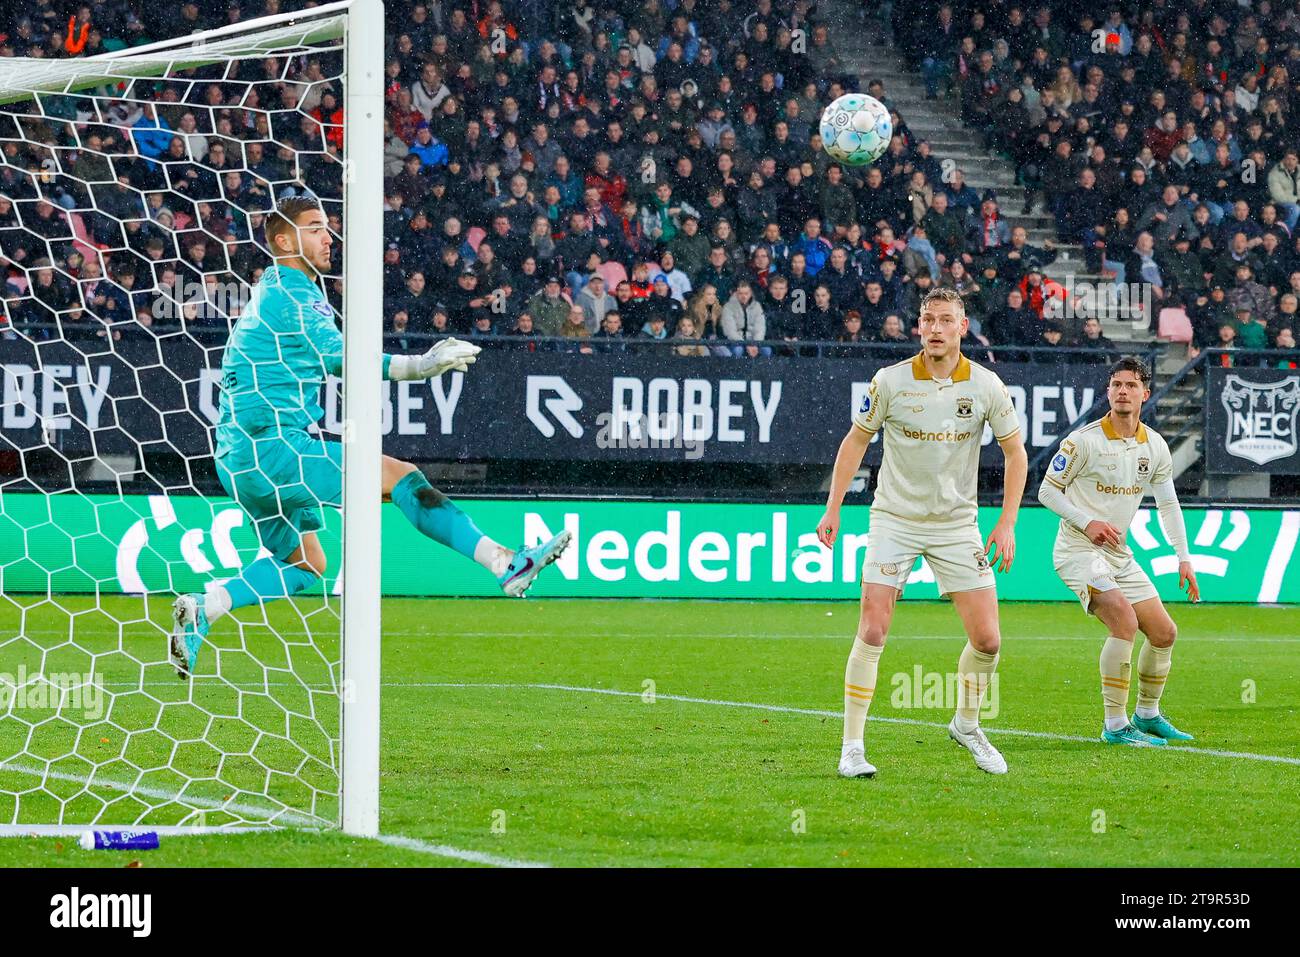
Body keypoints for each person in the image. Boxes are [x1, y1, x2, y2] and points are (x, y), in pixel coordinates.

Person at [168, 198, 571, 677]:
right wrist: (417, 366)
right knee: (401, 477)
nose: (327, 237)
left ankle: (205, 607)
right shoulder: (294, 294)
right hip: (275, 447)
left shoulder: (269, 294)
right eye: (314, 228)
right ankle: (504, 562)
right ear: (283, 241)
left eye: (327, 227)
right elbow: (343, 357)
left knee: (306, 565)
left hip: (236, 458)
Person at [817, 287, 1027, 778]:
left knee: (989, 641)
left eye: (945, 320)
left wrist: (1008, 521)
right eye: (928, 319)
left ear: (962, 326)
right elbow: (855, 442)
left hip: (957, 525)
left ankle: (967, 724)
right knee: (872, 629)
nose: (935, 328)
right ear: (918, 326)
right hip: (894, 519)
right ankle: (852, 748)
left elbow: (1016, 454)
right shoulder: (890, 381)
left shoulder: (986, 385)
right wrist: (833, 507)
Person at [1037, 356, 1199, 746]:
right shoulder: (1083, 441)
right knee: (1124, 623)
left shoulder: (1154, 445)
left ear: (1145, 393)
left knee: (1163, 633)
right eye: (1115, 384)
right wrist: (1086, 522)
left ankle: (1147, 714)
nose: (1122, 391)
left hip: (1118, 554)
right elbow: (1046, 490)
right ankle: (1114, 725)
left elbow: (1168, 504)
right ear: (1108, 391)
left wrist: (1183, 556)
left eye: (1129, 385)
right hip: (1078, 550)